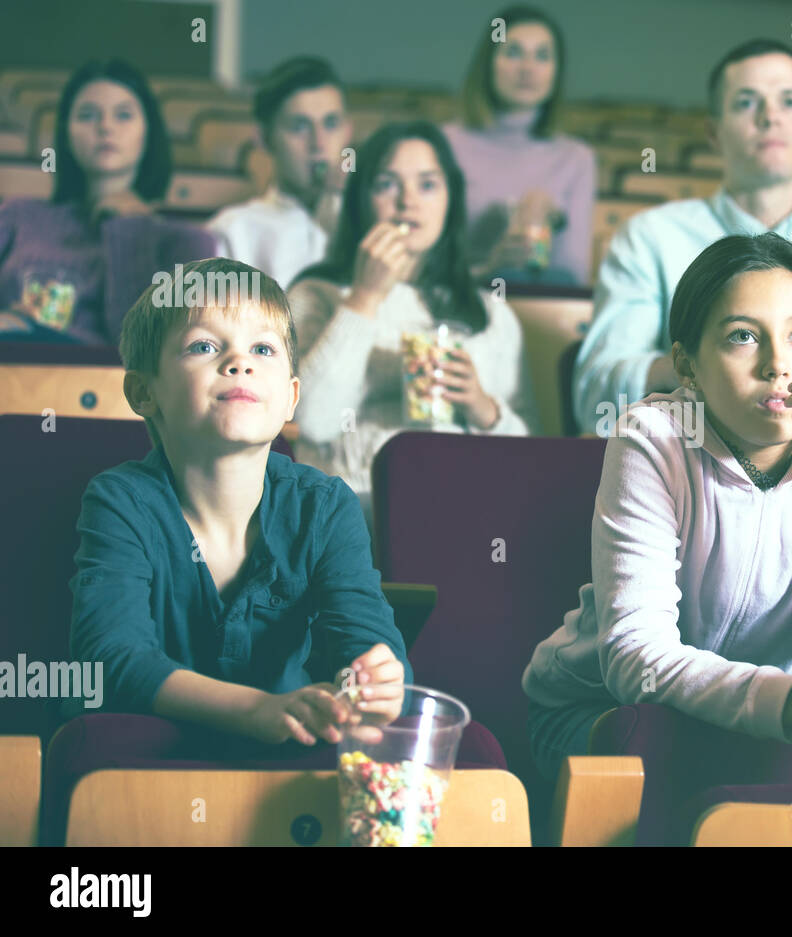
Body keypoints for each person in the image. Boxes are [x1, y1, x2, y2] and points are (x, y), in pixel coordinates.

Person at [523, 233, 792, 784]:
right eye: (742, 337)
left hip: (767, 720)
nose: (778, 364)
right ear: (687, 366)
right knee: (660, 751)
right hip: (602, 713)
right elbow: (634, 658)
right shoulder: (654, 436)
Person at [69, 257, 411, 746]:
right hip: (148, 763)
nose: (239, 362)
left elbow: (367, 642)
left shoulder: (326, 505)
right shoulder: (120, 501)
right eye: (204, 346)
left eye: (263, 348)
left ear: (292, 397)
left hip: (292, 755)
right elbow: (111, 659)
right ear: (143, 392)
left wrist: (376, 683)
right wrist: (257, 711)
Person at [572, 39, 792, 445]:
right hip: (691, 470)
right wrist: (704, 367)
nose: (770, 117)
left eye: (789, 102)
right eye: (747, 103)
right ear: (713, 131)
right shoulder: (646, 237)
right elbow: (594, 399)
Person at [290, 122, 539, 525]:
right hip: (346, 512)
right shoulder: (317, 294)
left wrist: (482, 408)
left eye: (427, 185)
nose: (408, 202)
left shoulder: (490, 313)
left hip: (467, 509)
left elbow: (528, 455)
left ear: (450, 199)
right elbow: (311, 421)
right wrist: (364, 297)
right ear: (361, 201)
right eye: (387, 184)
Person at [0, 59, 215, 345]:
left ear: (148, 132)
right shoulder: (19, 215)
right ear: (66, 133)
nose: (105, 127)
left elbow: (142, 347)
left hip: (106, 384)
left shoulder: (185, 242)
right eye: (87, 115)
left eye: (123, 115)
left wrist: (128, 228)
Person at [443, 5, 595, 285]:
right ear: (488, 63)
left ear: (556, 71)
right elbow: (425, 269)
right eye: (513, 53)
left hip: (539, 315)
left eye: (542, 56)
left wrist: (550, 230)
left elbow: (574, 277)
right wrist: (489, 268)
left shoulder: (577, 158)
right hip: (456, 306)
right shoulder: (444, 145)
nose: (528, 69)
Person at [207, 57, 352, 288]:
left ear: (347, 131)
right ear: (264, 139)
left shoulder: (371, 222)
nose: (319, 143)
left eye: (330, 123)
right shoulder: (232, 229)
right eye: (299, 127)